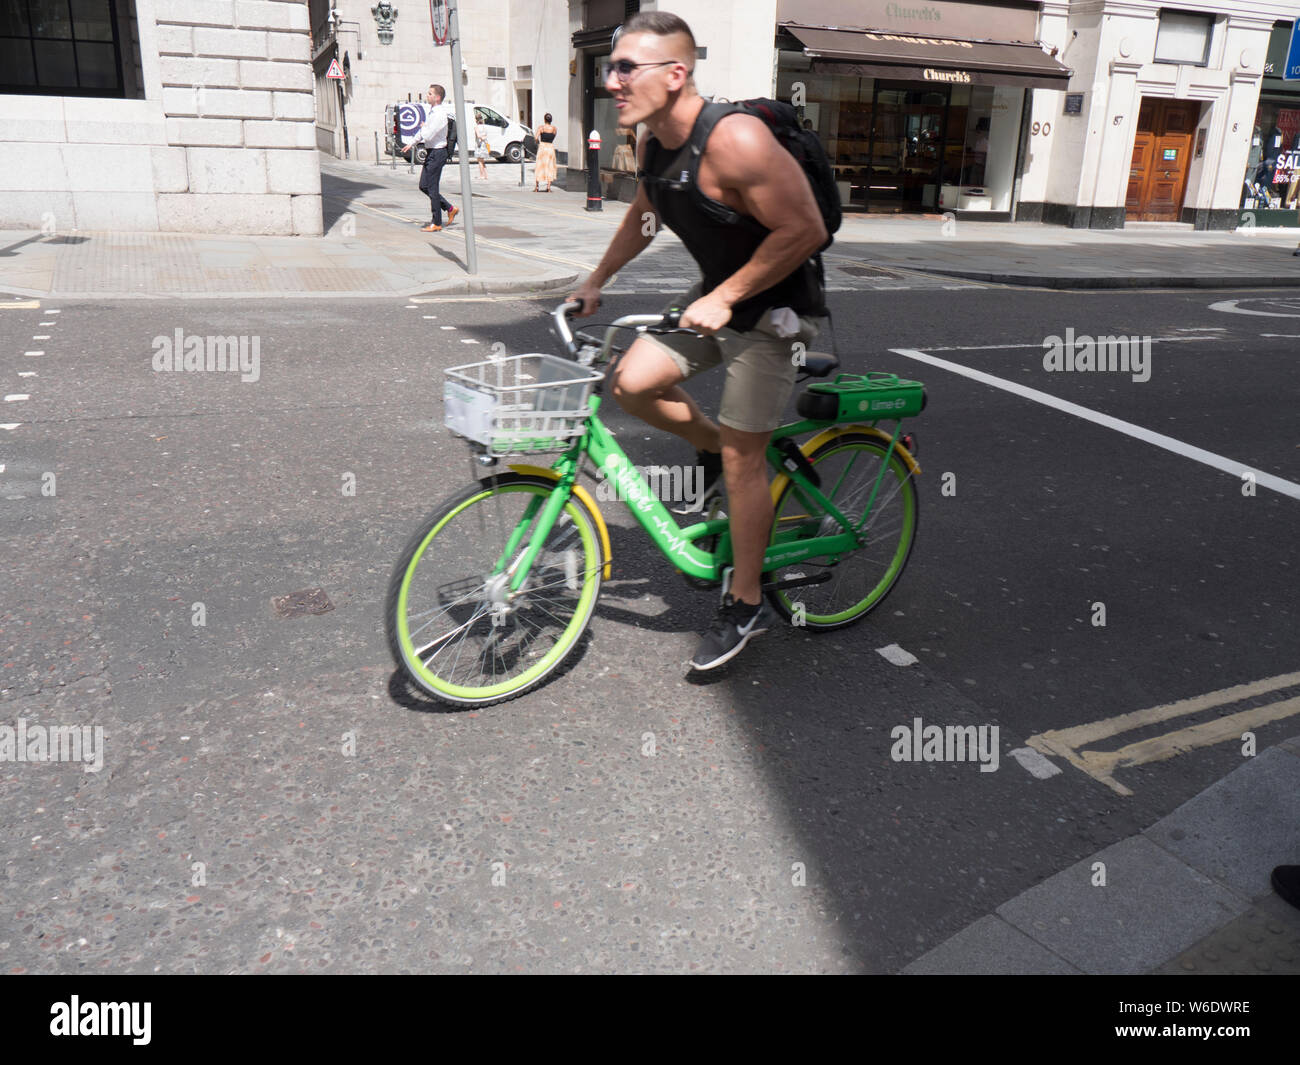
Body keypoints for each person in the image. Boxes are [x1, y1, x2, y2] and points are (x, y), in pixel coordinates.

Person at [568, 11, 828, 672]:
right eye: (611, 67)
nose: (613, 80)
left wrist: (727, 296)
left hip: (776, 313)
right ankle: (712, 449)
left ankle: (744, 604)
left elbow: (805, 228)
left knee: (746, 459)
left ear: (676, 73)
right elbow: (645, 213)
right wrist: (597, 277)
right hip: (717, 294)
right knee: (631, 382)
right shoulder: (654, 140)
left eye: (627, 67)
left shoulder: (735, 140)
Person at [402, 83, 459, 232]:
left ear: (437, 97)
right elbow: (424, 133)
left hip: (438, 153)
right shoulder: (433, 112)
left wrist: (423, 127)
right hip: (431, 153)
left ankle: (437, 222)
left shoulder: (440, 114)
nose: (427, 96)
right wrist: (411, 143)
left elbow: (427, 134)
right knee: (424, 186)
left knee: (432, 188)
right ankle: (449, 208)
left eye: (430, 94)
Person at [534, 113, 558, 192]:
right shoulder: (554, 129)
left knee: (539, 166)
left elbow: (536, 138)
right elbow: (553, 136)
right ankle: (548, 187)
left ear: (544, 120)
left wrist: (538, 142)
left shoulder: (541, 128)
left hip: (542, 147)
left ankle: (537, 187)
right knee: (550, 166)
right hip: (550, 148)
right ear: (551, 120)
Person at [474, 113, 489, 180]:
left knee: (479, 160)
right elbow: (486, 135)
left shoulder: (476, 127)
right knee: (483, 160)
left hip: (479, 144)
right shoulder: (484, 127)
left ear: (476, 120)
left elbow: (478, 135)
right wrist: (484, 138)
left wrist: (481, 137)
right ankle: (486, 175)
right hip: (484, 144)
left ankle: (481, 175)